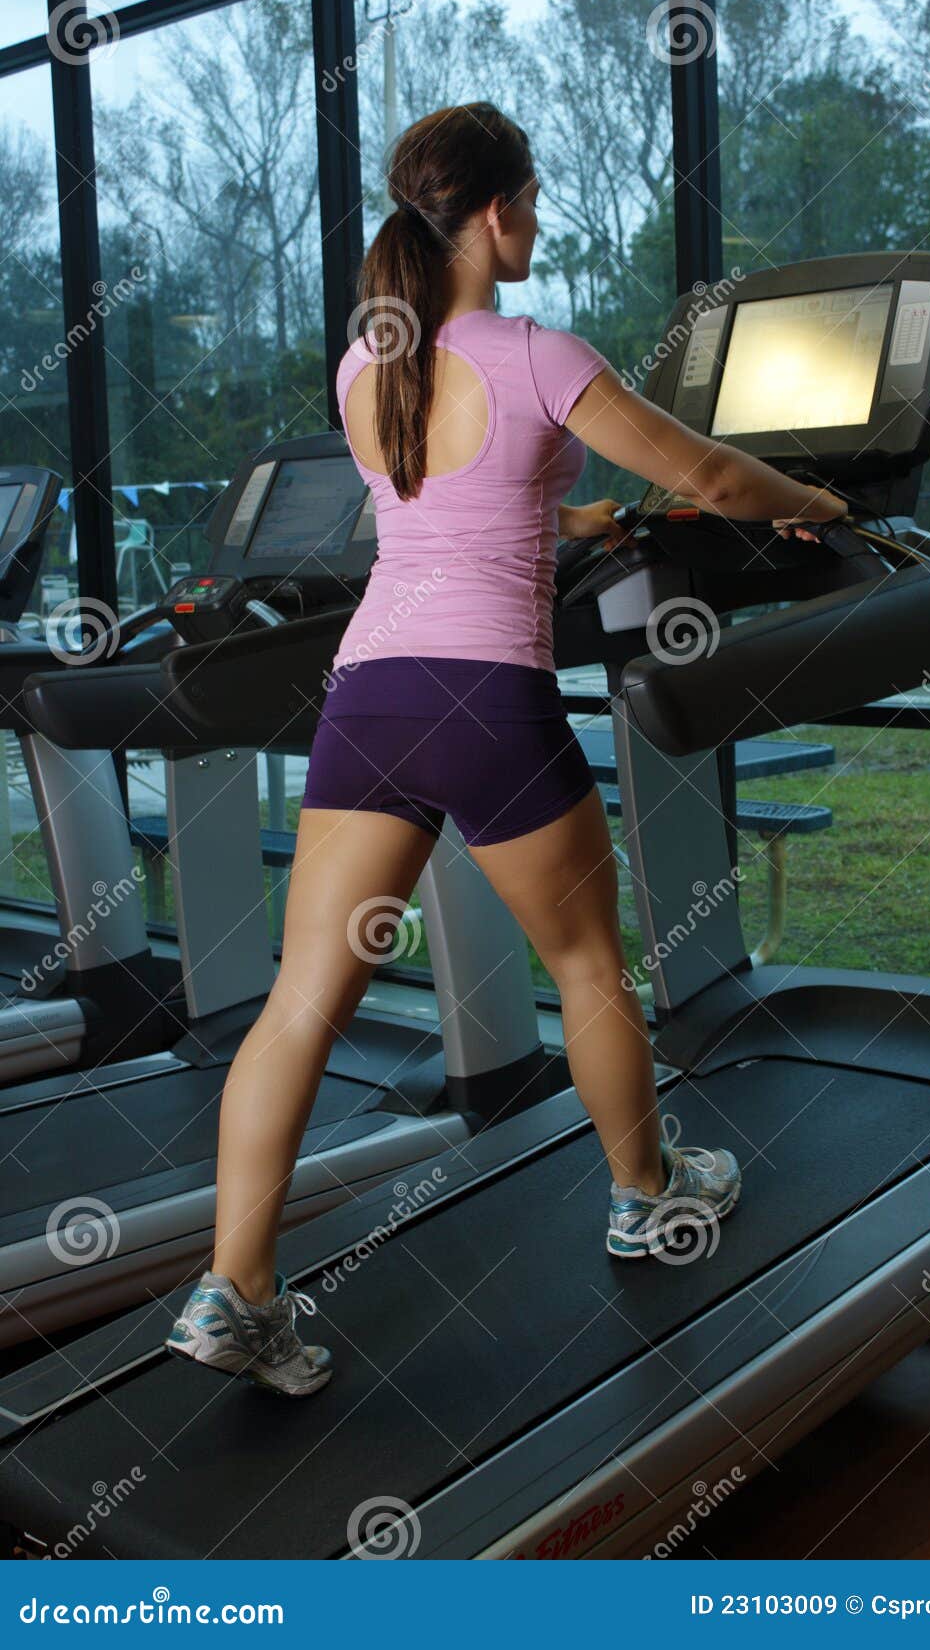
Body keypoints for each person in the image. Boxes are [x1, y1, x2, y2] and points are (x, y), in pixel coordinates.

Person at [166, 102, 846, 1396]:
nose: (538, 220)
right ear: (495, 212)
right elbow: (711, 475)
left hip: (370, 693)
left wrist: (568, 514)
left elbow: (442, 506)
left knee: (306, 996)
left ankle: (235, 1289)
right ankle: (644, 1194)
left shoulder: (368, 366)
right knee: (590, 964)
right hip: (487, 694)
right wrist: (817, 502)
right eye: (531, 198)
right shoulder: (539, 352)